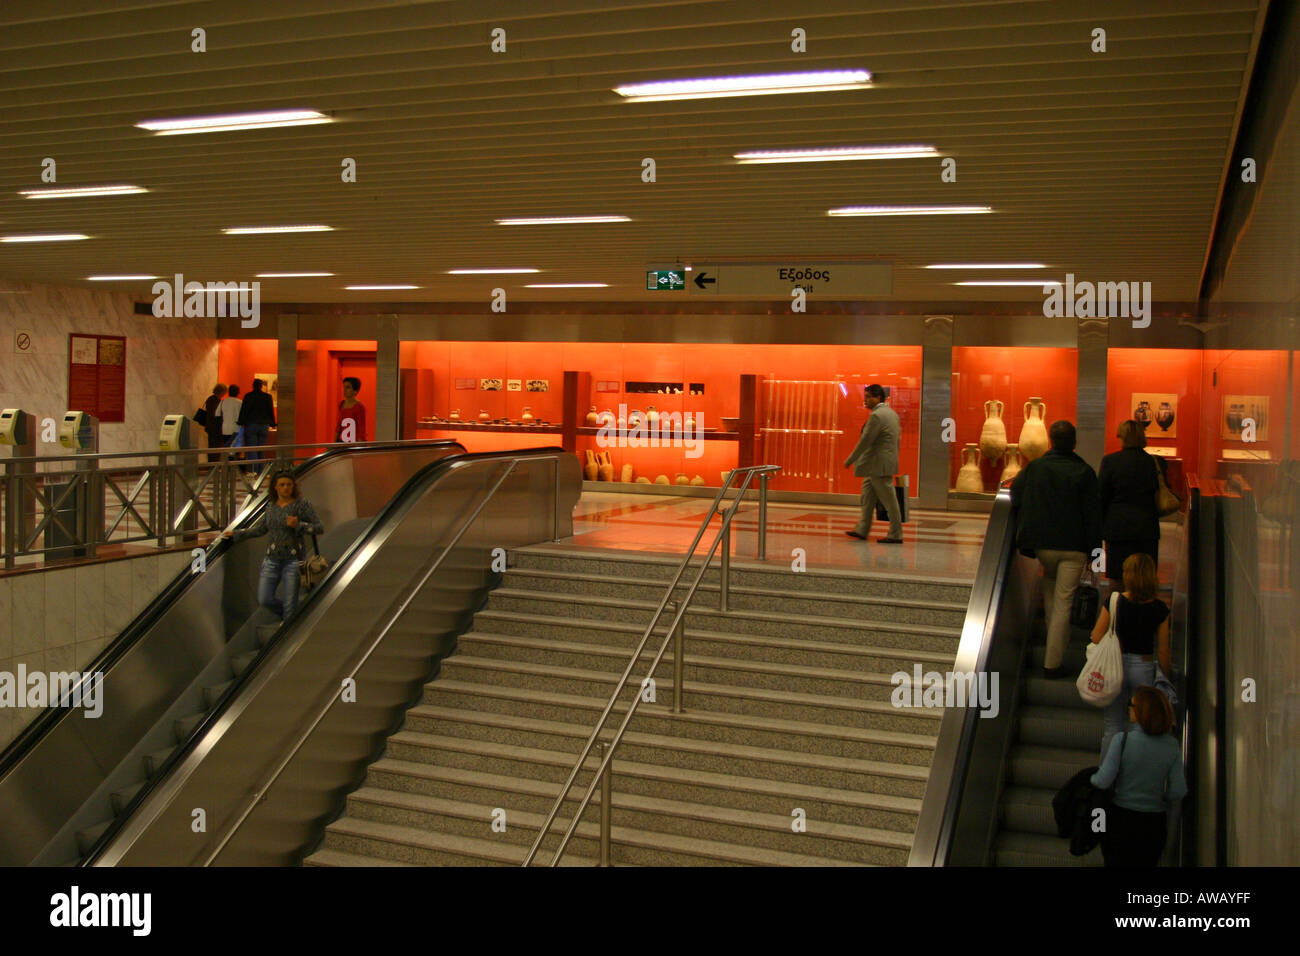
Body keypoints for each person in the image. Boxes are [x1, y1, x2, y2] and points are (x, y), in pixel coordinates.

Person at [1010, 420, 1102, 678]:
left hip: (1043, 546)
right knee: (1063, 602)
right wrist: (1097, 555)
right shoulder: (1084, 472)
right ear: (1074, 442)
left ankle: (1053, 643)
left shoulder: (1036, 467)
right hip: (1073, 548)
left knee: (1052, 596)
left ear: (1050, 440)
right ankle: (1052, 663)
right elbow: (1093, 517)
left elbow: (1015, 492)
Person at [1090, 685, 1187, 867]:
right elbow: (1178, 791)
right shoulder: (1172, 746)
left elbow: (1103, 781)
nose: (1129, 709)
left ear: (1142, 711)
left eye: (1132, 706)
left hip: (1121, 820)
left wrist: (1089, 779)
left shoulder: (1122, 740)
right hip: (1153, 824)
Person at [1091, 552, 1171, 760]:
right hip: (1143, 668)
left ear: (1128, 576)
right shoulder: (1160, 609)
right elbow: (1163, 650)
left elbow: (1096, 636)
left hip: (1114, 666)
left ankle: (1107, 776)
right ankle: (1133, 775)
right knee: (1140, 727)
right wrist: (1166, 677)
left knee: (1113, 726)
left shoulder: (1114, 601)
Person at [222, 470, 324, 622]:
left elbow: (319, 527)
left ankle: (289, 628)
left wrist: (299, 525)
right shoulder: (271, 506)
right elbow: (261, 529)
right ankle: (292, 619)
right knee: (264, 599)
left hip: (293, 560)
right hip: (272, 559)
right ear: (275, 487)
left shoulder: (302, 505)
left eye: (289, 485)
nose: (286, 488)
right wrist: (237, 534)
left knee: (290, 604)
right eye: (282, 485)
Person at [1099, 420, 1161, 585]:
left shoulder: (1110, 461)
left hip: (1118, 526)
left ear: (1123, 437)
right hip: (1146, 525)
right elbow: (1154, 489)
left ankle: (1118, 608)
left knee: (1118, 577)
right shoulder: (1150, 461)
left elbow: (1102, 494)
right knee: (1143, 576)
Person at [844, 384, 903, 543]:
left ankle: (896, 534)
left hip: (878, 466)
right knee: (867, 497)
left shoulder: (877, 416)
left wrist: (851, 459)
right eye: (865, 397)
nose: (866, 400)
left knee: (889, 501)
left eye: (869, 397)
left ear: (878, 397)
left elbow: (865, 441)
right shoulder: (891, 414)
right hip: (878, 465)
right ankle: (862, 529)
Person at [238, 378, 277, 461]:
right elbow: (270, 411)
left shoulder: (248, 396)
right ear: (261, 386)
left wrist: (241, 422)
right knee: (261, 449)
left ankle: (254, 471)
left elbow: (244, 410)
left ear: (253, 386)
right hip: (264, 425)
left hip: (251, 424)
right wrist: (273, 423)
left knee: (252, 449)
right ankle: (261, 471)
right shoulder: (267, 397)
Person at [335, 376, 367, 443]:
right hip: (342, 442)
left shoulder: (359, 407)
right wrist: (334, 443)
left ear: (355, 390)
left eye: (348, 387)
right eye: (344, 387)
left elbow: (361, 429)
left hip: (353, 443)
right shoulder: (342, 404)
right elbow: (339, 426)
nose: (344, 390)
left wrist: (359, 446)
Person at [202, 384, 227, 462]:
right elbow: (216, 414)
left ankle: (212, 465)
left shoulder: (210, 399)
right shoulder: (216, 401)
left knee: (212, 447)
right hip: (216, 428)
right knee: (215, 449)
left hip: (211, 427)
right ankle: (214, 466)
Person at [217, 384, 243, 448]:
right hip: (236, 428)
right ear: (238, 393)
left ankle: (228, 457)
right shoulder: (240, 402)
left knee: (227, 448)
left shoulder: (223, 402)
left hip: (225, 429)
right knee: (235, 449)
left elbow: (217, 414)